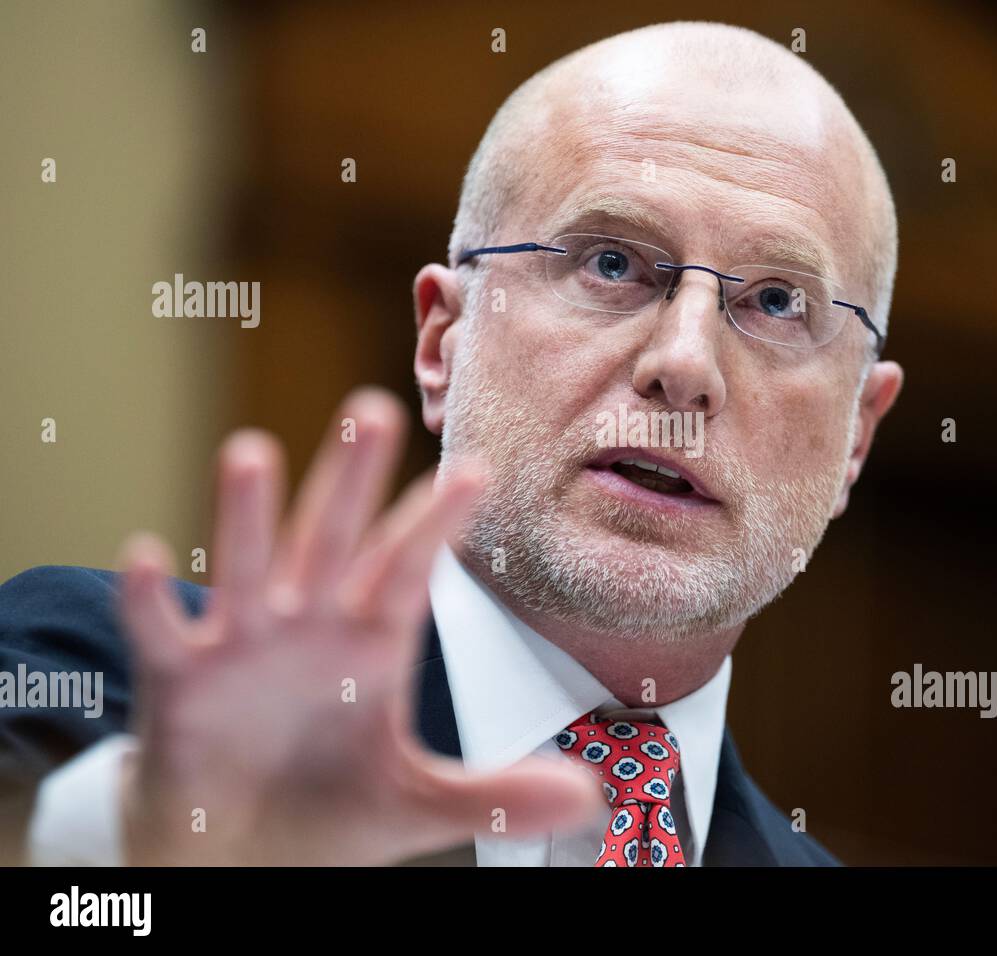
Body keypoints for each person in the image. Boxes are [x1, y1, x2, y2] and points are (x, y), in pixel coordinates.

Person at [0, 21, 902, 867]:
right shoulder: (104, 688)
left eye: (779, 302)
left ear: (856, 435)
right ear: (443, 344)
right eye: (613, 263)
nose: (684, 364)